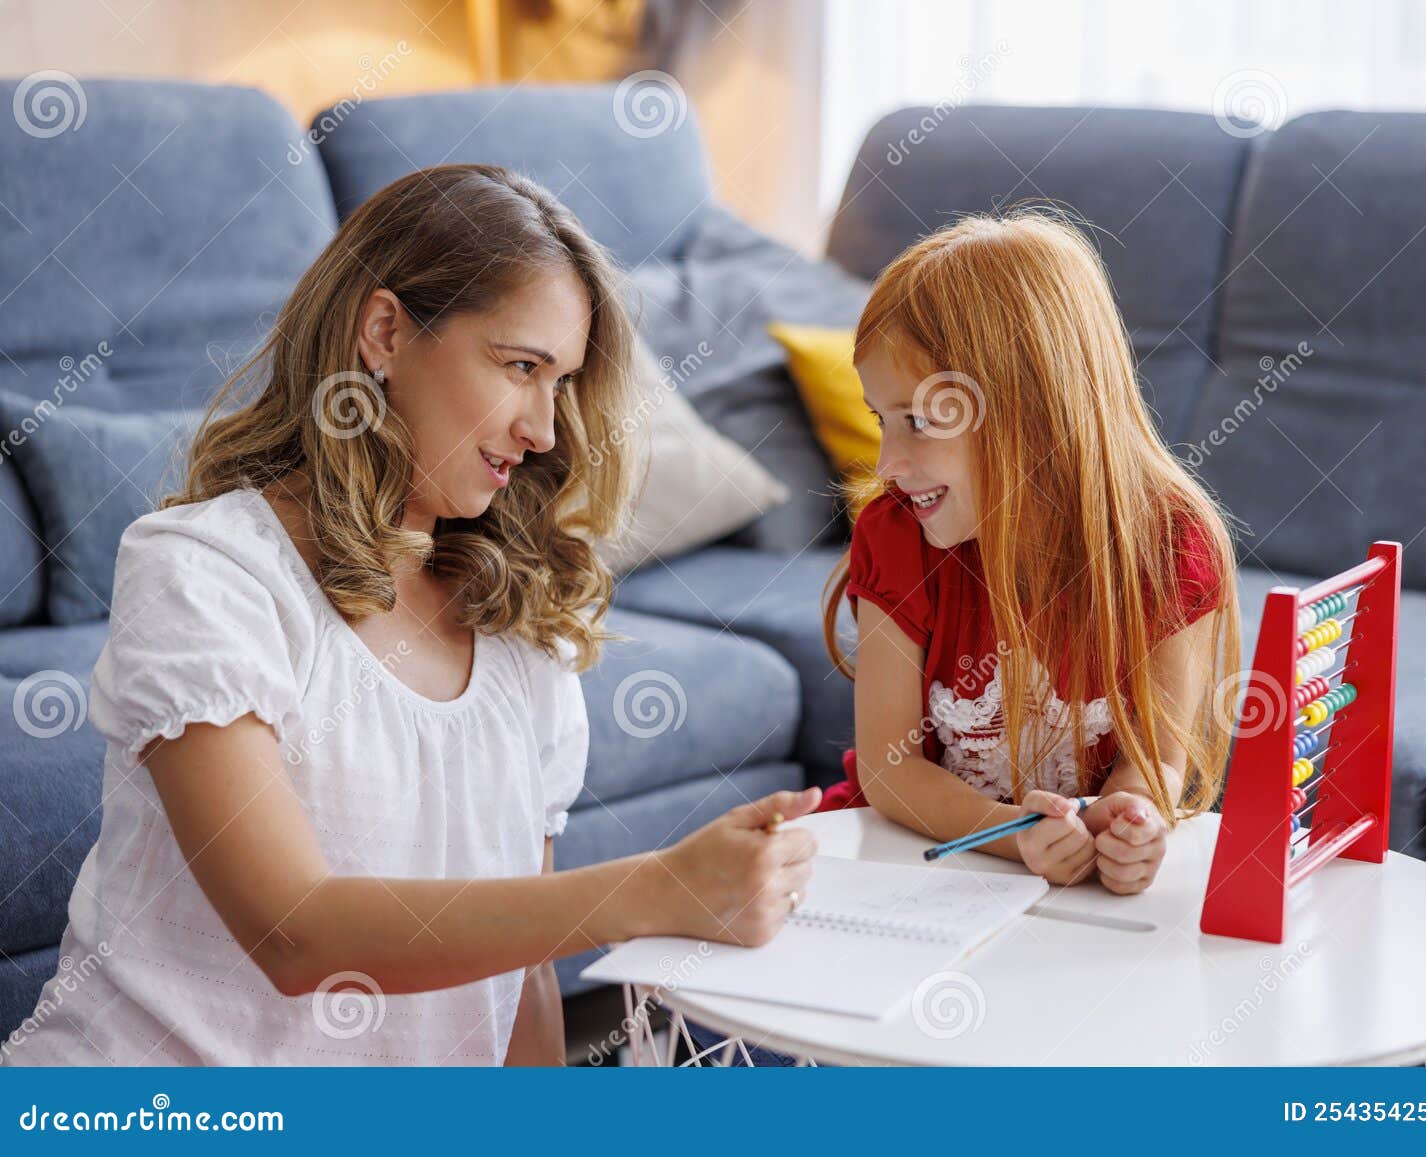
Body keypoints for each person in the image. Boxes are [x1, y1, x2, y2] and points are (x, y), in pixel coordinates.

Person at [1, 164, 819, 1068]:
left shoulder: (522, 618)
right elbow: (294, 933)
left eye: (563, 382)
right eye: (520, 367)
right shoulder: (206, 571)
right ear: (385, 331)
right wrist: (652, 889)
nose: (545, 429)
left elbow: (523, 976)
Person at [820, 210, 1241, 896]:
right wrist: (1013, 834)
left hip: (1073, 889)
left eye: (919, 422)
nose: (887, 462)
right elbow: (889, 769)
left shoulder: (1171, 543)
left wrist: (1130, 817)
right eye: (881, 419)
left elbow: (1160, 761)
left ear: (1032, 409)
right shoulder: (893, 534)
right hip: (915, 864)